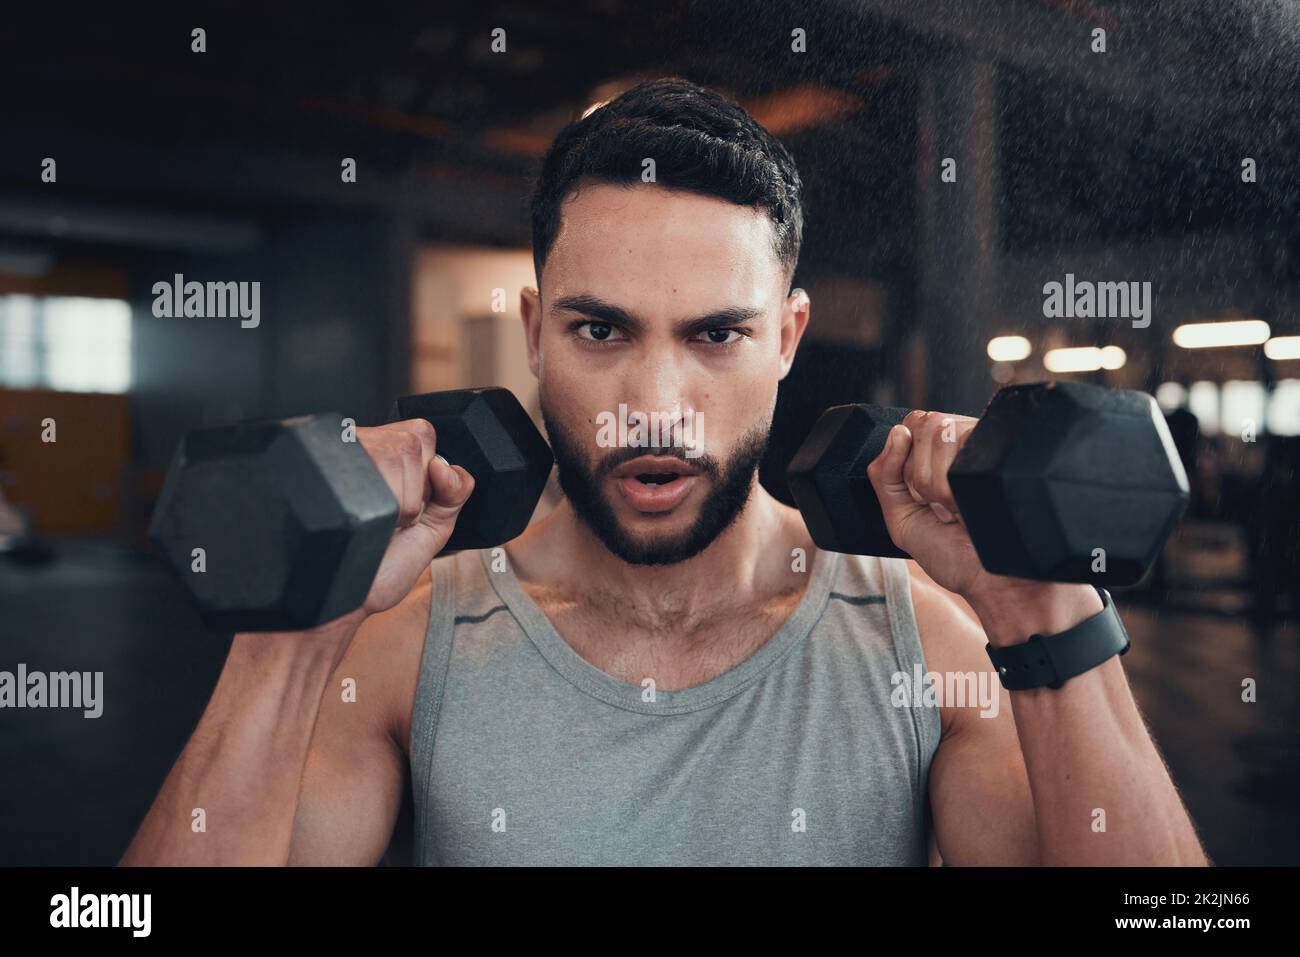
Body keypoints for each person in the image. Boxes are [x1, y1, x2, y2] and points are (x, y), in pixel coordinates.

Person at [122, 77, 1207, 866]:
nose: (654, 402)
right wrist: (290, 643)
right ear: (536, 333)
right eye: (601, 332)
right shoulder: (414, 641)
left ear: (786, 339)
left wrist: (1042, 614)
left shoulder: (924, 642)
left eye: (716, 337)